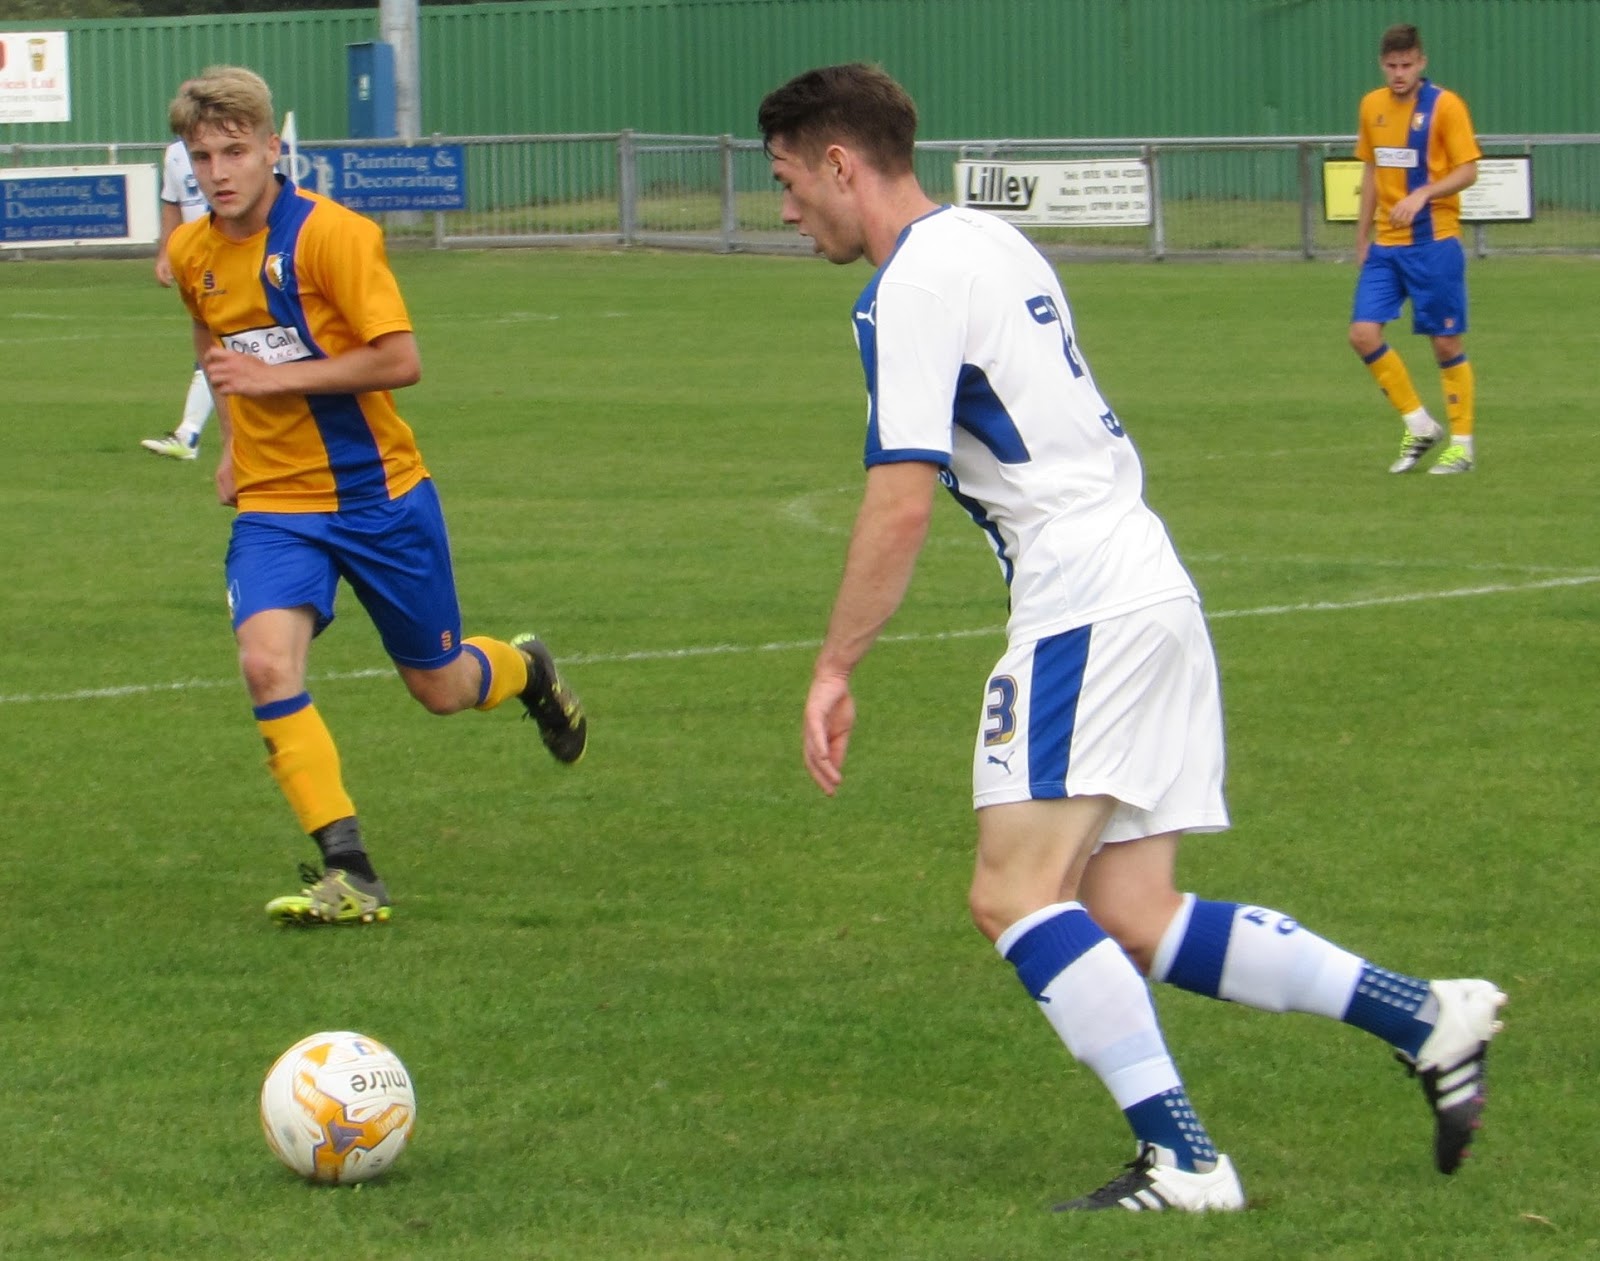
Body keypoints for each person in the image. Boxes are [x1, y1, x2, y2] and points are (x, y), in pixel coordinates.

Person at [761, 62, 1504, 1212]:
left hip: (1082, 596)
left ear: (839, 164)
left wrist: (833, 664)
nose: (785, 207)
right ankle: (1423, 1015)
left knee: (1013, 896)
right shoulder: (988, 241)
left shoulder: (907, 286)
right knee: (1128, 912)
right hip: (1147, 579)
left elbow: (899, 496)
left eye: (787, 179)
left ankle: (1186, 1159)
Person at [165, 65, 588, 926]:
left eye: (235, 151)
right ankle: (349, 869)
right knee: (264, 663)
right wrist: (236, 443)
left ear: (272, 149)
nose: (218, 172)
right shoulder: (190, 252)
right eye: (201, 155)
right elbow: (216, 347)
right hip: (277, 504)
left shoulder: (334, 236)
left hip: (380, 496)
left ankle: (527, 669)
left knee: (440, 686)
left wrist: (269, 382)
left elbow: (400, 361)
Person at [1348, 24, 1481, 475]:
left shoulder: (1445, 106)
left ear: (1421, 62)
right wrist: (1361, 235)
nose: (1399, 74)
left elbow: (1468, 171)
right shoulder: (1372, 106)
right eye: (1391, 66)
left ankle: (1461, 446)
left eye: (1407, 65)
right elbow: (1370, 170)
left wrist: (1425, 193)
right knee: (1362, 334)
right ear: (1381, 65)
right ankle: (1420, 424)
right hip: (1386, 246)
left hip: (1435, 242)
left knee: (1444, 342)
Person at [143, 134, 215, 461]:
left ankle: (189, 434)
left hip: (236, 256)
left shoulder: (228, 146)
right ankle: (189, 434)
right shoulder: (174, 154)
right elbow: (172, 205)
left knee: (227, 347)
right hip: (200, 261)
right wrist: (165, 255)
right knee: (217, 346)